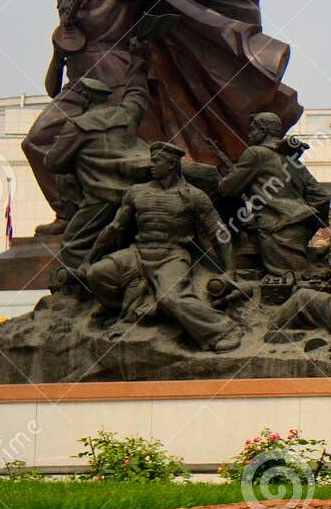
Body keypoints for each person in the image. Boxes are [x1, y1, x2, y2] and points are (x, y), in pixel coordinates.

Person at [22, 0, 233, 235]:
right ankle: (69, 214)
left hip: (117, 79)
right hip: (79, 85)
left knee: (138, 153)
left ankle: (179, 214)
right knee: (37, 142)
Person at [87, 142, 242, 352]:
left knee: (172, 298)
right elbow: (114, 228)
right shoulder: (136, 192)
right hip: (138, 252)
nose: (151, 165)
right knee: (97, 274)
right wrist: (89, 259)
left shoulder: (194, 196)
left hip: (172, 255)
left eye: (156, 160)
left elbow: (219, 234)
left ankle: (223, 329)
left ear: (171, 164)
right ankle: (133, 311)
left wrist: (230, 271)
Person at [41, 39, 153, 287]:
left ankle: (85, 294)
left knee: (73, 245)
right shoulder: (125, 114)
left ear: (85, 100)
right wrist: (137, 59)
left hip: (104, 199)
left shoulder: (78, 126)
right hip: (140, 191)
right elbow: (137, 92)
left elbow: (54, 162)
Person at [215, 111, 331, 277]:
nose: (249, 134)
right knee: (239, 262)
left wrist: (232, 176)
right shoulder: (293, 161)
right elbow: (323, 198)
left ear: (263, 131)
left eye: (253, 129)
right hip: (291, 230)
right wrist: (309, 224)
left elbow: (226, 190)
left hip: (277, 231)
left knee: (295, 281)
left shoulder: (256, 153)